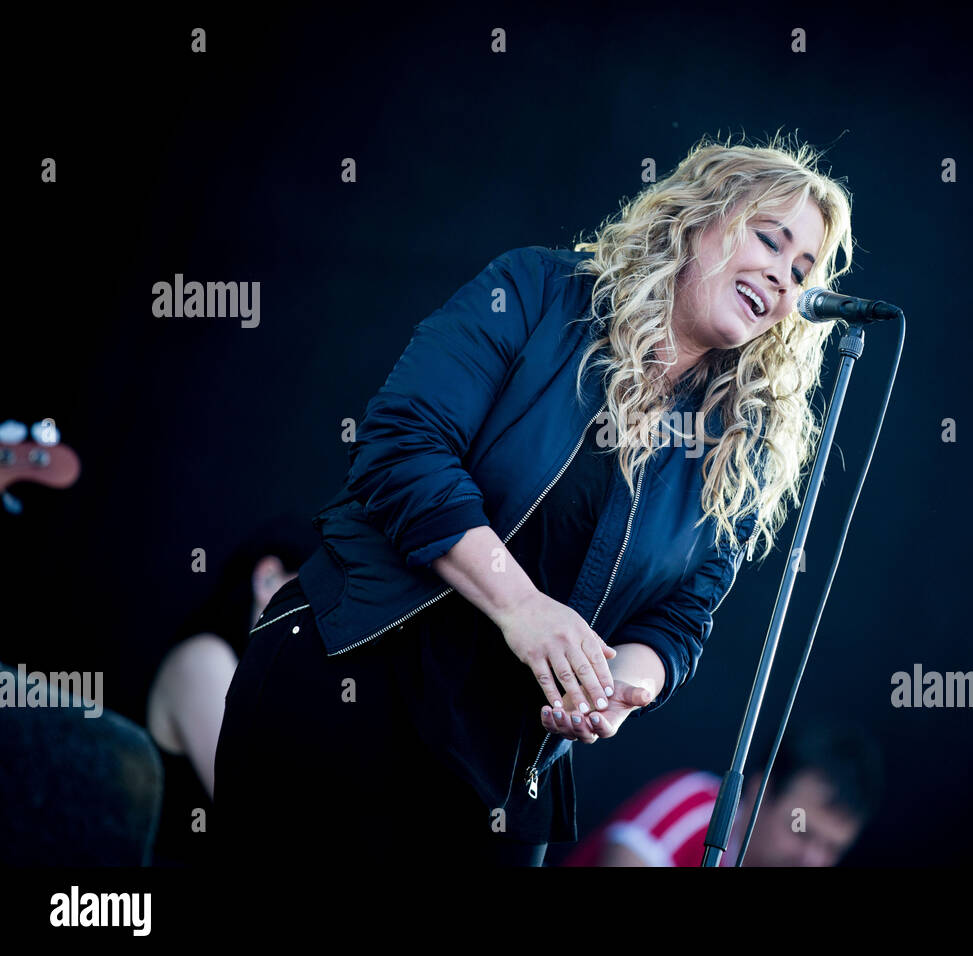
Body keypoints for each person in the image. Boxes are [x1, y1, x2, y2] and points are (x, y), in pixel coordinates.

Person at [214, 132, 857, 867]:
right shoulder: (538, 292)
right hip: (354, 685)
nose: (783, 277)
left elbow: (683, 616)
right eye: (770, 241)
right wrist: (521, 608)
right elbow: (403, 445)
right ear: (699, 218)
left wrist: (623, 686)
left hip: (503, 772)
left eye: (802, 270)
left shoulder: (737, 440)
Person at [144, 515, 315, 866]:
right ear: (269, 578)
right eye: (328, 601)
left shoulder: (281, 693)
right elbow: (264, 827)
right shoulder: (205, 659)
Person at [559, 724, 883, 867]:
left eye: (832, 849)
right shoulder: (693, 808)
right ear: (759, 791)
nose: (812, 859)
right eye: (802, 830)